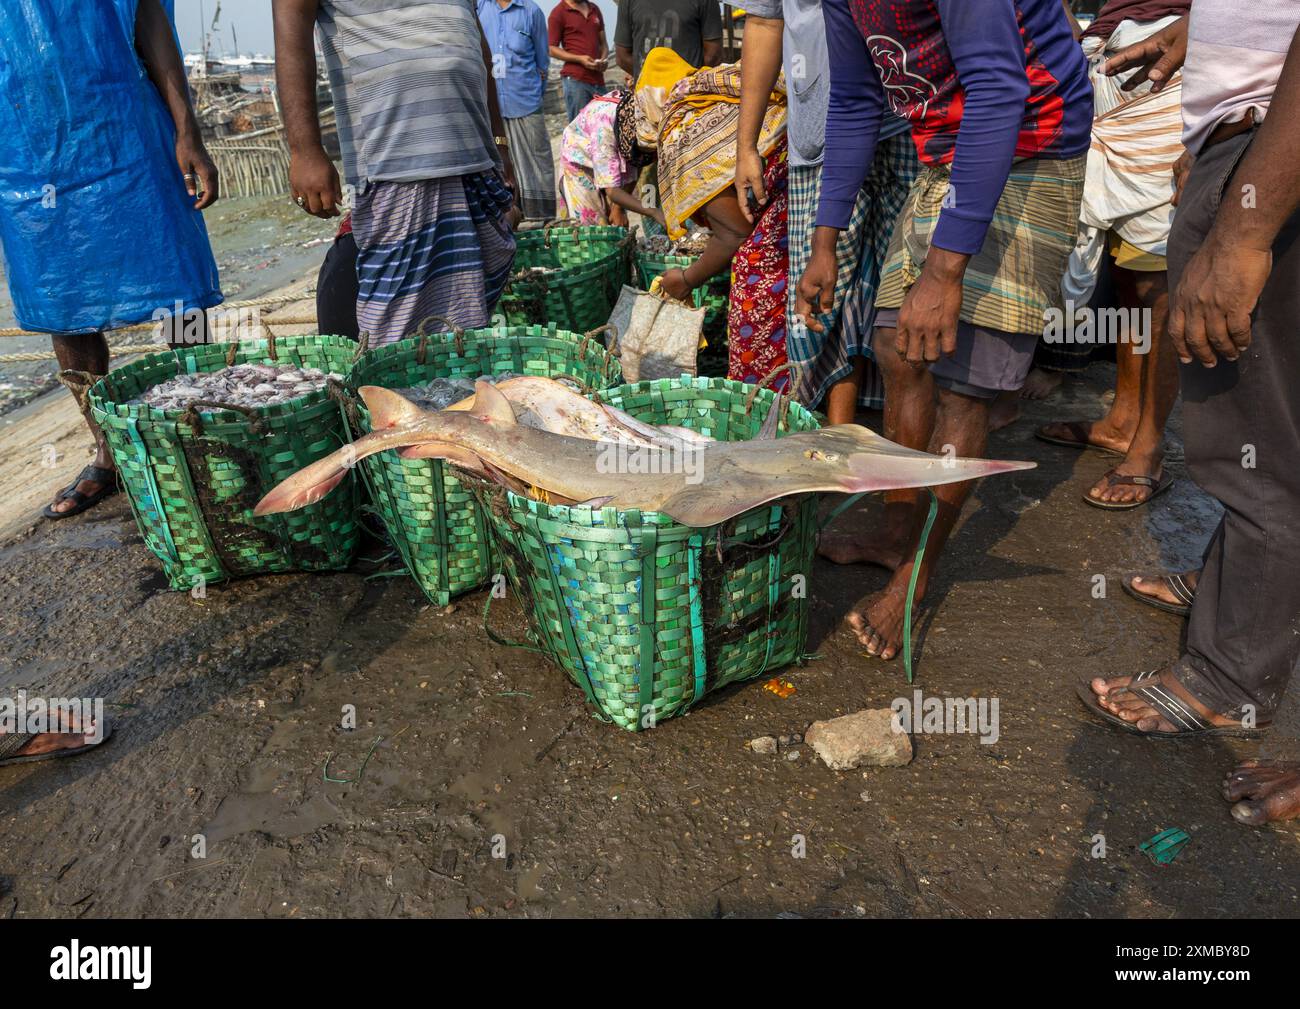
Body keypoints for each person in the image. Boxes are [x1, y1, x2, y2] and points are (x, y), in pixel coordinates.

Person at [799, 0, 1092, 658]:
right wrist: (826, 241)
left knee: (965, 380)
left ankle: (917, 572)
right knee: (896, 346)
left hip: (1035, 141)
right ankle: (900, 529)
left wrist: (944, 273)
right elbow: (851, 97)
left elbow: (998, 84)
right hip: (952, 149)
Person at [1081, 9, 1300, 827]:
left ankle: (1228, 682)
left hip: (1270, 156)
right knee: (1255, 433)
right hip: (1251, 139)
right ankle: (1227, 596)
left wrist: (1243, 230)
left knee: (1256, 450)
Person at [0, 0, 220, 521]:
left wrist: (187, 130)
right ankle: (109, 450)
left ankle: (201, 427)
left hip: (125, 129)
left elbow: (151, 23)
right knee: (63, 302)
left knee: (178, 288)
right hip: (22, 152)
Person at [1016, 0, 1188, 511]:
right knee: (1129, 276)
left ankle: (1149, 448)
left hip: (1170, 77)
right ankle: (1122, 421)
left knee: (1160, 281)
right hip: (1113, 70)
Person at [274, 0, 520, 347]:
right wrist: (305, 149)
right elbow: (291, 26)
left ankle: (454, 385)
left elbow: (477, 42)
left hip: (474, 151)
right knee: (398, 326)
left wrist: (500, 144)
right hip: (395, 155)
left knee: (474, 302)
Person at [735, 1, 919, 431]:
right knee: (821, 295)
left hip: (914, 120)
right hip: (822, 124)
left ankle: (903, 444)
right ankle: (839, 432)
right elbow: (764, 22)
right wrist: (746, 146)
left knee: (907, 290)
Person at [640, 49, 791, 387]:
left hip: (790, 223)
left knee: (753, 298)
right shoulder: (717, 97)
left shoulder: (683, 130)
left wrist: (688, 278)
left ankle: (770, 401)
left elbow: (736, 233)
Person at [480, 0, 558, 222]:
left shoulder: (531, 12)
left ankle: (541, 223)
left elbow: (542, 64)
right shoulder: (479, 8)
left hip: (526, 102)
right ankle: (507, 223)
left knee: (537, 166)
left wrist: (533, 94)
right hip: (490, 109)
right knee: (498, 168)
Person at [556, 90, 664, 226]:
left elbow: (637, 165)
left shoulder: (640, 119)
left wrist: (618, 208)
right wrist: (653, 212)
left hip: (605, 152)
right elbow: (612, 191)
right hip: (578, 162)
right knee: (592, 226)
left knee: (614, 220)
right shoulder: (605, 130)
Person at [614, 0, 722, 81]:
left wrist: (692, 81)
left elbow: (713, 54)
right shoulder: (628, 2)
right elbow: (622, 57)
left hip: (687, 97)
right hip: (650, 94)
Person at [549, 0, 611, 122]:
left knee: (604, 127)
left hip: (598, 80)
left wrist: (603, 59)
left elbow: (603, 44)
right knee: (580, 129)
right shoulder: (558, 13)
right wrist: (579, 59)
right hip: (576, 81)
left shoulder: (594, 9)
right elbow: (551, 49)